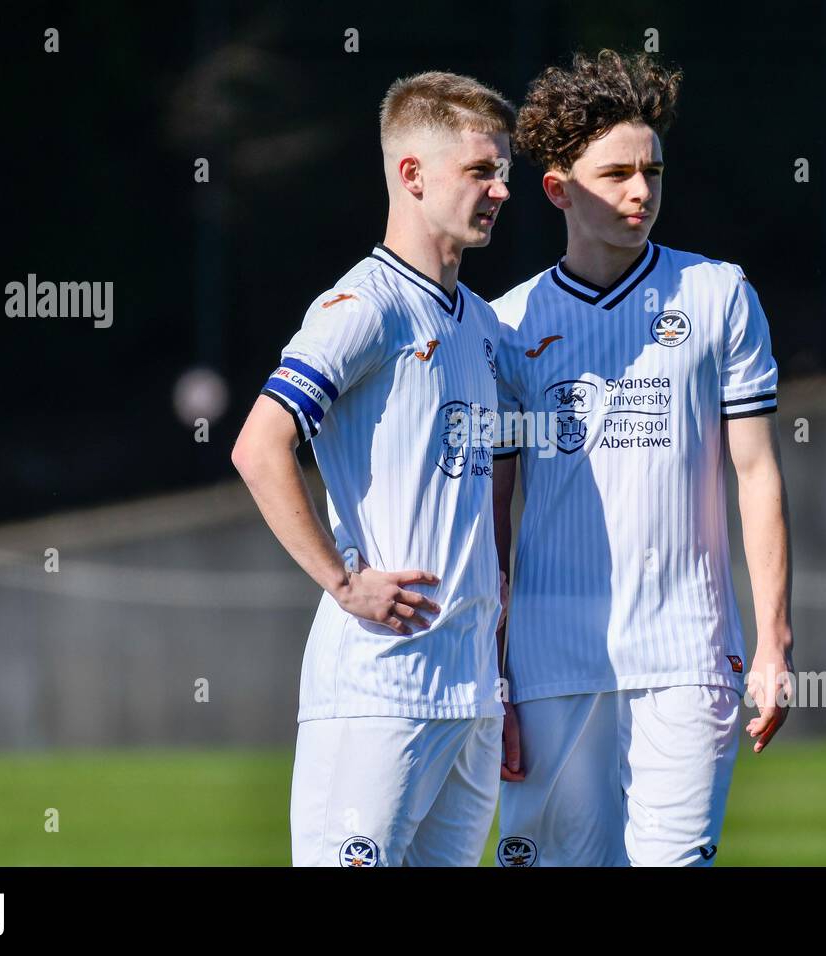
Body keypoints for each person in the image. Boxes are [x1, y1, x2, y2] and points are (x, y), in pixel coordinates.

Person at [490, 50, 795, 867]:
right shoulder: (506, 324)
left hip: (688, 656)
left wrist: (772, 643)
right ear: (559, 190)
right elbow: (493, 517)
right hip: (550, 664)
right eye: (616, 173)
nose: (641, 192)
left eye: (652, 171)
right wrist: (493, 671)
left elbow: (758, 475)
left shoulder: (718, 294)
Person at [231, 71, 514, 867]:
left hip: (468, 697)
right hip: (379, 692)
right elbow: (258, 446)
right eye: (480, 171)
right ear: (413, 174)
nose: (499, 190)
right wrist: (343, 580)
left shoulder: (483, 325)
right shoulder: (364, 306)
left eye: (504, 173)